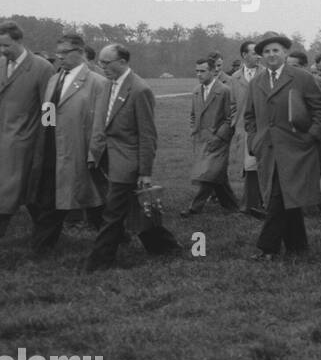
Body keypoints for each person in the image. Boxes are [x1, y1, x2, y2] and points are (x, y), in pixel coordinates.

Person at [84, 44, 177, 270]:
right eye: (100, 63)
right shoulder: (107, 85)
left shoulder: (139, 90)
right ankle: (165, 247)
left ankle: (98, 263)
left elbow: (148, 136)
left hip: (127, 163)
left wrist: (145, 172)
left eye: (106, 63)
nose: (101, 67)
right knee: (135, 208)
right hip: (106, 158)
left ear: (123, 62)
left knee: (113, 213)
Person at [244, 32, 321, 260]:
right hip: (268, 150)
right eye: (267, 51)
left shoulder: (302, 78)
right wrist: (254, 140)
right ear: (261, 56)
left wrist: (312, 137)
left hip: (296, 150)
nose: (271, 55)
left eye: (276, 50)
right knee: (284, 196)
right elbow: (249, 117)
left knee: (278, 197)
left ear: (284, 53)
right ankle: (298, 246)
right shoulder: (255, 83)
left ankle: (267, 248)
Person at [29, 33, 108, 253]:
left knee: (94, 198)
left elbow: (100, 122)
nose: (60, 57)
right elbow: (49, 112)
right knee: (50, 196)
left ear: (81, 53)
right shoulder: (54, 79)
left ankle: (116, 235)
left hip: (79, 150)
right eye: (58, 53)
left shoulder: (97, 82)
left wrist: (94, 152)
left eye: (65, 53)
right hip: (51, 147)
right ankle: (42, 246)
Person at [0, 20, 55, 240]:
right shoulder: (1, 64)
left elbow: (49, 108)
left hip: (24, 142)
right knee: (19, 194)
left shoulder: (43, 68)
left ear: (19, 40)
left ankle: (45, 237)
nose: (2, 51)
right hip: (3, 141)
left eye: (6, 46)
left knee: (11, 194)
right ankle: (46, 234)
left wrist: (47, 140)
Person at [182, 55, 239, 216]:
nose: (199, 74)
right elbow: (193, 115)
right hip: (201, 140)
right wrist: (194, 129)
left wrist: (219, 137)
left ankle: (194, 208)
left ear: (213, 71)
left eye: (203, 71)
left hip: (218, 141)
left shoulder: (224, 91)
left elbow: (230, 117)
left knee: (208, 174)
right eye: (197, 71)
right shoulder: (196, 91)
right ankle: (233, 206)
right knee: (217, 175)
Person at [227, 40, 264, 218]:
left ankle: (258, 203)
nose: (258, 56)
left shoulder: (266, 74)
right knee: (249, 167)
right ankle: (250, 204)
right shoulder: (234, 78)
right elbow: (233, 103)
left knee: (260, 165)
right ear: (244, 55)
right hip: (243, 128)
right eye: (254, 52)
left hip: (262, 127)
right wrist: (235, 121)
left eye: (258, 53)